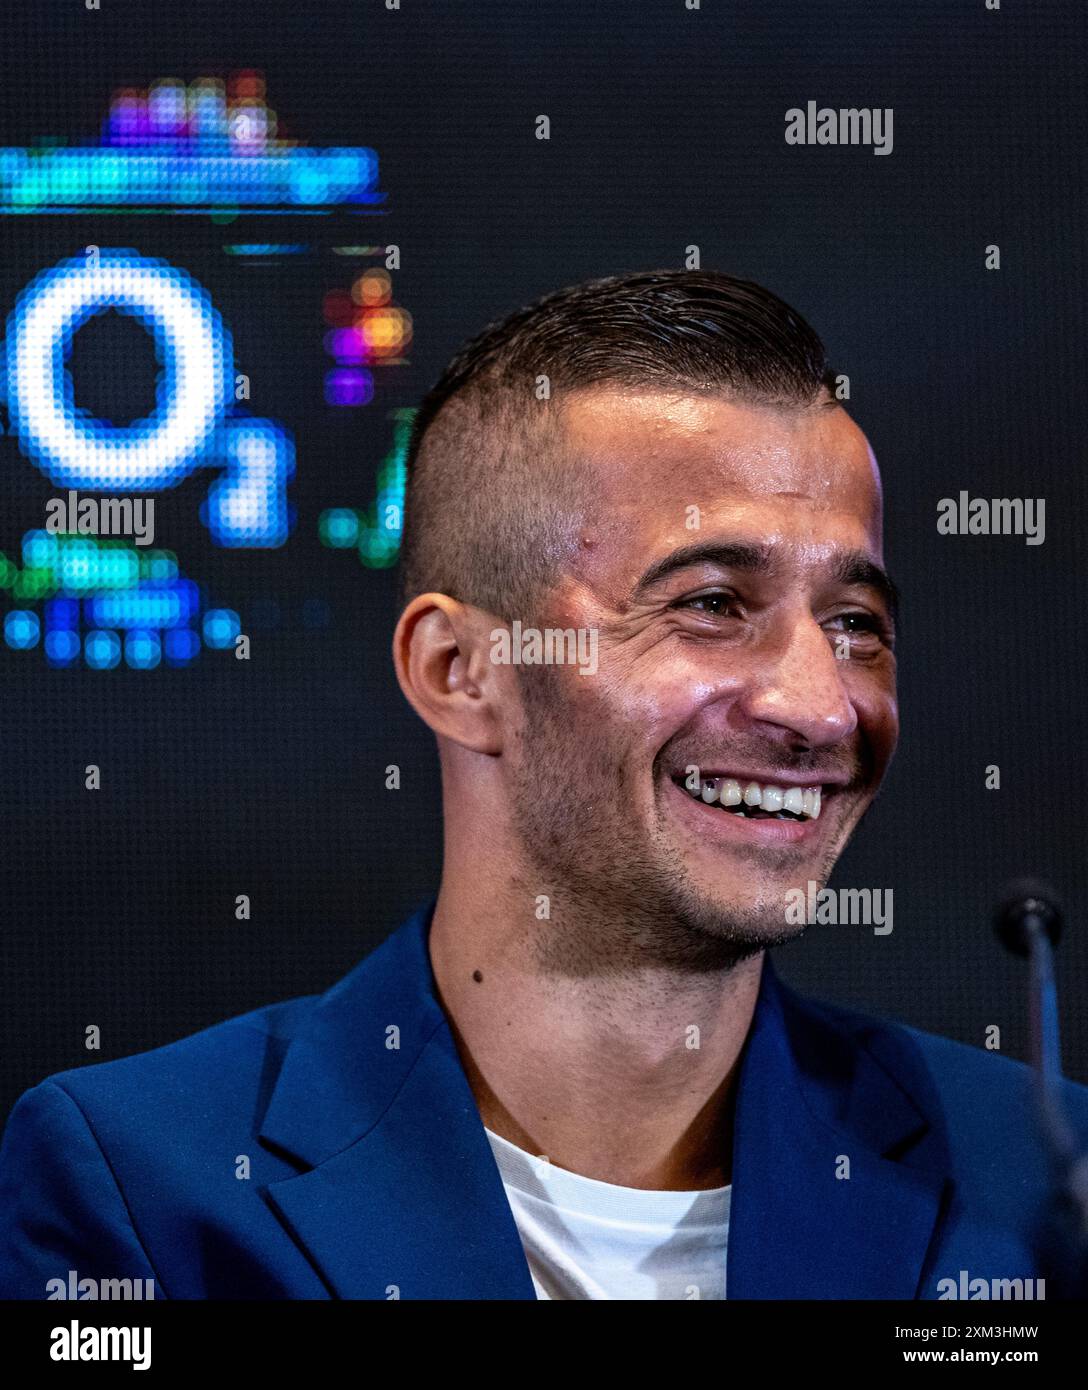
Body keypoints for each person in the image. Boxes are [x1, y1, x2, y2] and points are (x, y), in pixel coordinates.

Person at [1, 270, 1084, 1300]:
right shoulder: (142, 1188)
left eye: (853, 623)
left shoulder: (1041, 1197)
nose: (820, 706)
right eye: (710, 604)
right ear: (459, 672)